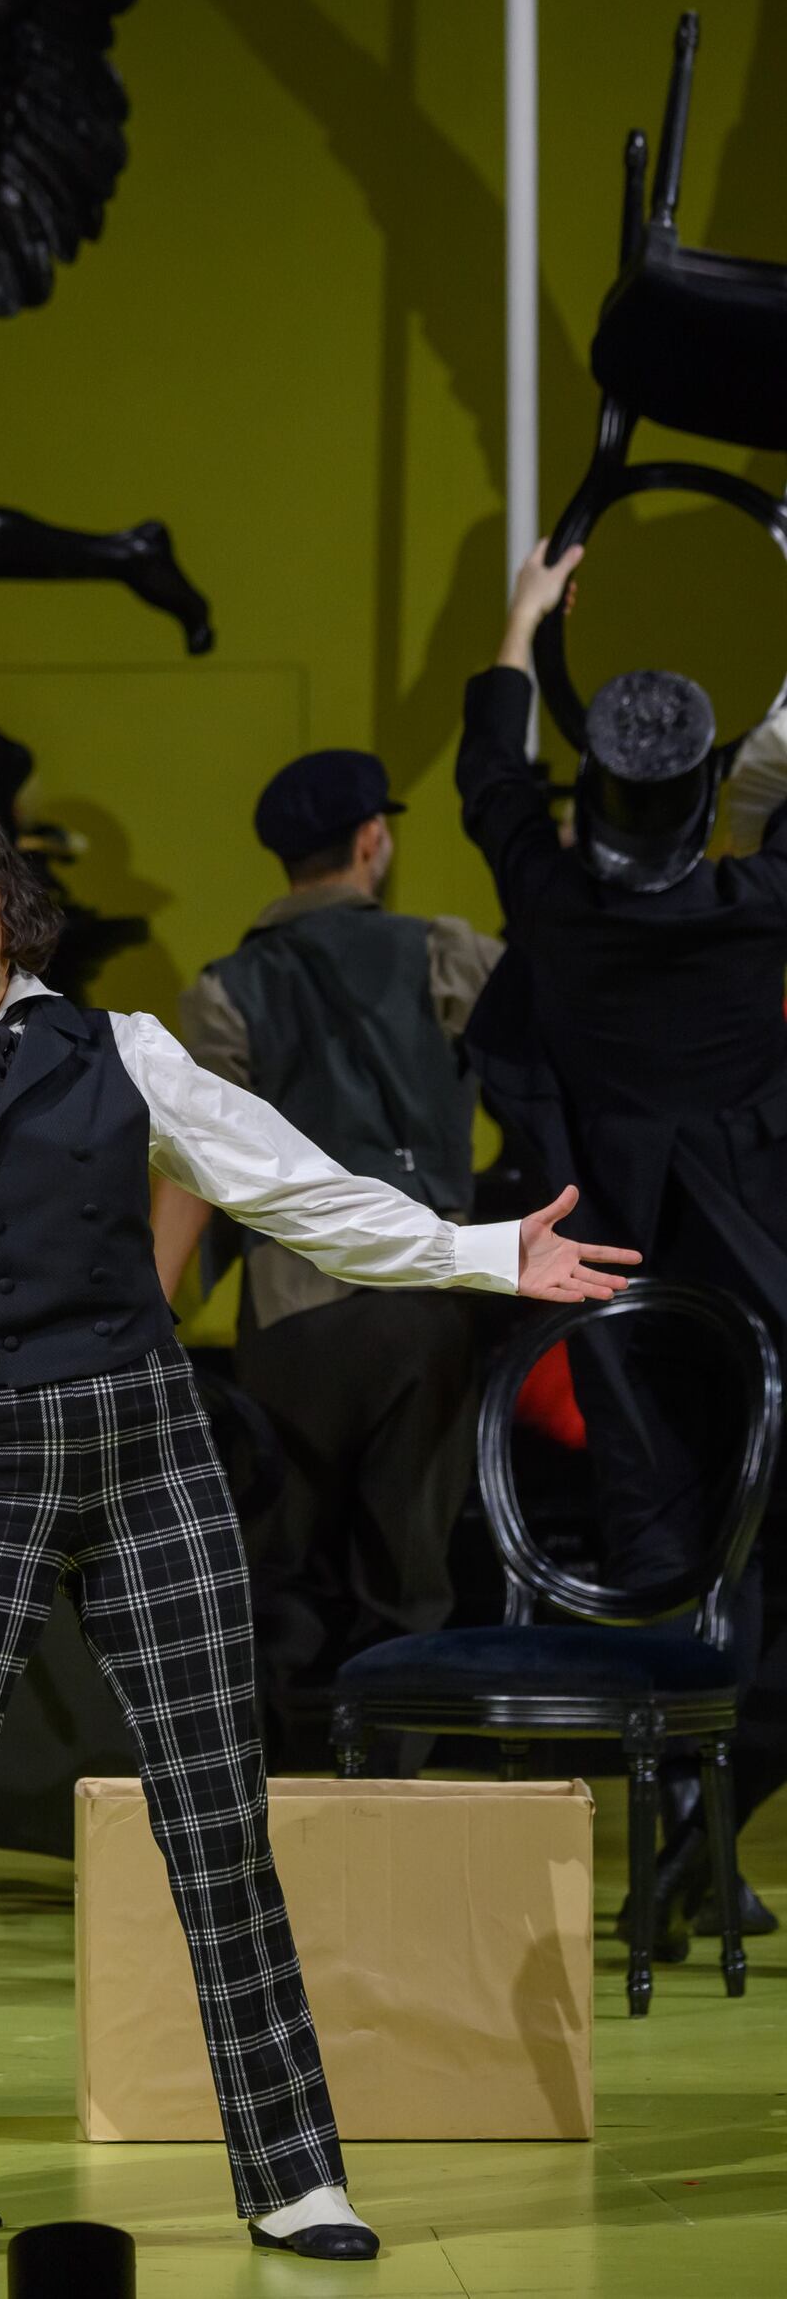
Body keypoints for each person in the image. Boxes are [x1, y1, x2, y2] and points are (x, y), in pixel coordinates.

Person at [0, 789, 636, 2272]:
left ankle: (293, 2176)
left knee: (217, 1813)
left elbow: (294, 1192)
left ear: (6, 895)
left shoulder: (126, 1050)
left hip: (147, 1440)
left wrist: (478, 1251)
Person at [461, 538, 787, 1943]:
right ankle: (702, 1840)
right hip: (758, 1285)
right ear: (705, 805)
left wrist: (524, 622)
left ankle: (689, 1844)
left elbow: (491, 779)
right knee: (753, 1557)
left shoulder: (554, 910)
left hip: (624, 1293)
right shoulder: (756, 911)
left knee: (668, 1548)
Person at [153, 748, 503, 1761]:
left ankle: (269, 1791)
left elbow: (195, 1157)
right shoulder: (443, 954)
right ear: (371, 840)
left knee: (275, 1567)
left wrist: (152, 1303)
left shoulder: (225, 991)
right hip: (430, 1297)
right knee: (408, 1576)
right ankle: (391, 1792)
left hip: (294, 1308)